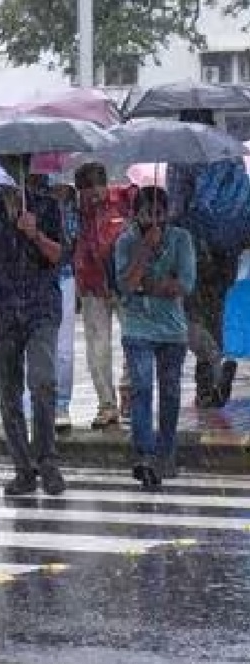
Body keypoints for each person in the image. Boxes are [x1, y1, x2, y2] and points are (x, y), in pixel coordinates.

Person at [0, 156, 67, 497]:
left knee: (42, 383)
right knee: (8, 395)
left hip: (41, 308)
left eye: (18, 169)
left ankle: (48, 460)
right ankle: (23, 467)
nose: (12, 177)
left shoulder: (49, 207)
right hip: (2, 312)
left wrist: (35, 233)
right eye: (5, 170)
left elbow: (59, 256)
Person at [115, 187, 196, 489]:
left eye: (159, 213)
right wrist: (145, 251)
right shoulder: (126, 241)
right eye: (147, 213)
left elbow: (185, 284)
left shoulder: (181, 239)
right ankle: (145, 454)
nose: (154, 219)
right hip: (137, 327)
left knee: (171, 392)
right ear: (136, 214)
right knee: (142, 388)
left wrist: (146, 286)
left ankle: (166, 452)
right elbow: (125, 285)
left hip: (172, 330)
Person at [168, 110, 247, 408]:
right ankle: (209, 385)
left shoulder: (182, 156)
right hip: (229, 244)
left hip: (194, 244)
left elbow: (175, 208)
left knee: (189, 316)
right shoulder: (230, 152)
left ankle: (213, 369)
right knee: (215, 313)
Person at [74, 163, 129, 429]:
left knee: (133, 340)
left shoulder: (125, 200)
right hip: (91, 285)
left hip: (124, 284)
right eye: (86, 190)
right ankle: (106, 405)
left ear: (105, 183)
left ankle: (129, 392)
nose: (93, 194)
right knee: (98, 348)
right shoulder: (75, 210)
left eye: (96, 187)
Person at [45, 176, 79, 431]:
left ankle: (61, 405)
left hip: (65, 279)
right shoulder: (32, 203)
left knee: (64, 349)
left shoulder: (72, 211)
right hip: (35, 281)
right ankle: (34, 405)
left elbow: (70, 247)